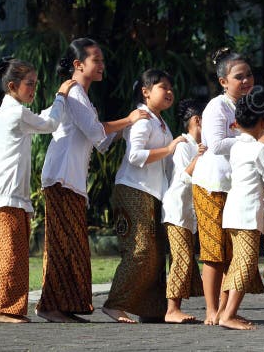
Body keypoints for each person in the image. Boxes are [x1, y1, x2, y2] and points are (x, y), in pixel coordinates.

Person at [36, 38, 150, 323]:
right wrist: (128, 119)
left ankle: (61, 306)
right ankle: (49, 306)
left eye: (101, 60)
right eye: (96, 60)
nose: (101, 65)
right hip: (61, 177)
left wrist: (130, 127)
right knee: (62, 244)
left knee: (71, 244)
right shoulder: (74, 92)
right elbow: (98, 132)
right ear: (79, 64)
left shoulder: (82, 96)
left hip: (71, 179)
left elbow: (100, 141)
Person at [192, 48, 264, 326]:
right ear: (223, 82)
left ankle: (227, 309)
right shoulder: (217, 106)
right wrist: (250, 142)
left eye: (249, 75)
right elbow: (214, 144)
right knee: (214, 252)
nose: (246, 81)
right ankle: (211, 311)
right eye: (239, 77)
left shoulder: (253, 107)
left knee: (235, 253)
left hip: (237, 189)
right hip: (212, 184)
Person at [102, 69, 185, 323]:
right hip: (133, 188)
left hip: (153, 192)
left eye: (171, 87)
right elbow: (135, 157)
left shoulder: (159, 120)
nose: (169, 91)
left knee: (157, 252)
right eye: (163, 87)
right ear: (146, 92)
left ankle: (151, 309)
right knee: (141, 250)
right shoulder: (142, 119)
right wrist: (169, 148)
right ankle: (115, 304)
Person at [0, 58, 75, 323]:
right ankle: (2, 309)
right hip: (6, 195)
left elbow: (42, 119)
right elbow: (49, 124)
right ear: (12, 85)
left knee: (16, 254)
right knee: (10, 255)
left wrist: (58, 103)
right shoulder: (15, 113)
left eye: (35, 84)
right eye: (29, 84)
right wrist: (61, 96)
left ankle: (10, 308)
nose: (33, 89)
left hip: (13, 194)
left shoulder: (11, 112)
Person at [218, 89, 264, 330]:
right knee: (245, 264)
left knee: (237, 263)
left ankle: (225, 311)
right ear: (262, 123)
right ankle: (228, 314)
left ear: (237, 124)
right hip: (247, 213)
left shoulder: (236, 147)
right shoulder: (258, 149)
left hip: (233, 210)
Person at [161, 99, 206, 323]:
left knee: (185, 258)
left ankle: (175, 307)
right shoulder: (182, 145)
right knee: (182, 258)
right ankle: (171, 310)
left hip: (188, 212)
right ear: (197, 120)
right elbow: (183, 177)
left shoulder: (195, 146)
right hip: (177, 209)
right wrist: (200, 157)